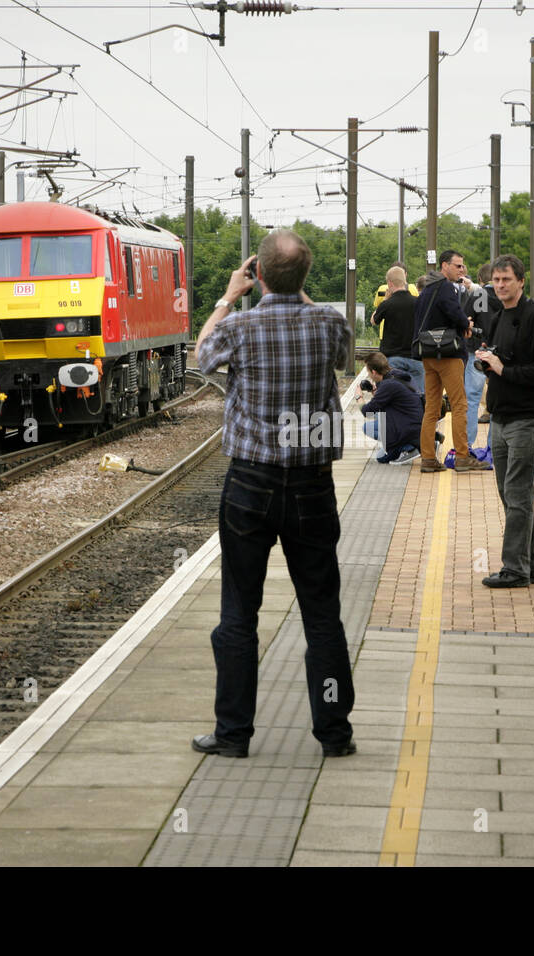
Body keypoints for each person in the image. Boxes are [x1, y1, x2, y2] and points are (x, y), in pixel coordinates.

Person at [191, 229, 356, 758]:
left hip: (251, 487)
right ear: (307, 278)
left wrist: (228, 296)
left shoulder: (238, 325)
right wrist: (294, 288)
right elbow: (346, 363)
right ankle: (334, 734)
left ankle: (233, 734)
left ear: (257, 274)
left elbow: (200, 358)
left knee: (239, 613)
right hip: (312, 487)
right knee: (322, 613)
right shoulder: (331, 323)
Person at [474, 254, 534, 587]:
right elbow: (497, 356)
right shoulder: (497, 316)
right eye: (495, 280)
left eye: (506, 279)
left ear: (521, 281)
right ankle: (530, 565)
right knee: (510, 494)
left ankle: (514, 569)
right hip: (499, 413)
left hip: (526, 415)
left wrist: (504, 369)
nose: (500, 286)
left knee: (518, 492)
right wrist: (487, 361)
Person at [415, 250, 485, 473]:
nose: (462, 270)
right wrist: (467, 324)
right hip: (448, 355)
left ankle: (428, 458)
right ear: (444, 265)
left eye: (463, 267)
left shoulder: (427, 288)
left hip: (428, 355)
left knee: (432, 408)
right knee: (460, 405)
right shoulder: (445, 287)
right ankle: (462, 457)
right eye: (458, 266)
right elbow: (455, 314)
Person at [357, 350, 425, 465]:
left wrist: (358, 396)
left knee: (369, 433)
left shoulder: (387, 385)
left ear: (373, 372)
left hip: (407, 428)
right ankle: (416, 443)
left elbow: (367, 411)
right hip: (415, 421)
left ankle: (408, 447)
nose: (368, 375)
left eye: (368, 371)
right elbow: (389, 401)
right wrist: (376, 392)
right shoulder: (396, 374)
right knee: (379, 418)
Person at [372, 265, 424, 395]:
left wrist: (385, 300)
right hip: (416, 357)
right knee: (418, 397)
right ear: (404, 281)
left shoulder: (387, 304)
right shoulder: (418, 303)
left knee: (393, 397)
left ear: (389, 283)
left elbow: (373, 321)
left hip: (393, 358)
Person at [464, 262, 496, 439]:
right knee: (497, 400)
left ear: (479, 279)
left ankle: (467, 444)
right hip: (499, 354)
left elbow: (466, 321)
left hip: (476, 352)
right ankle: (493, 447)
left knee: (472, 398)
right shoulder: (505, 294)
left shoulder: (478, 295)